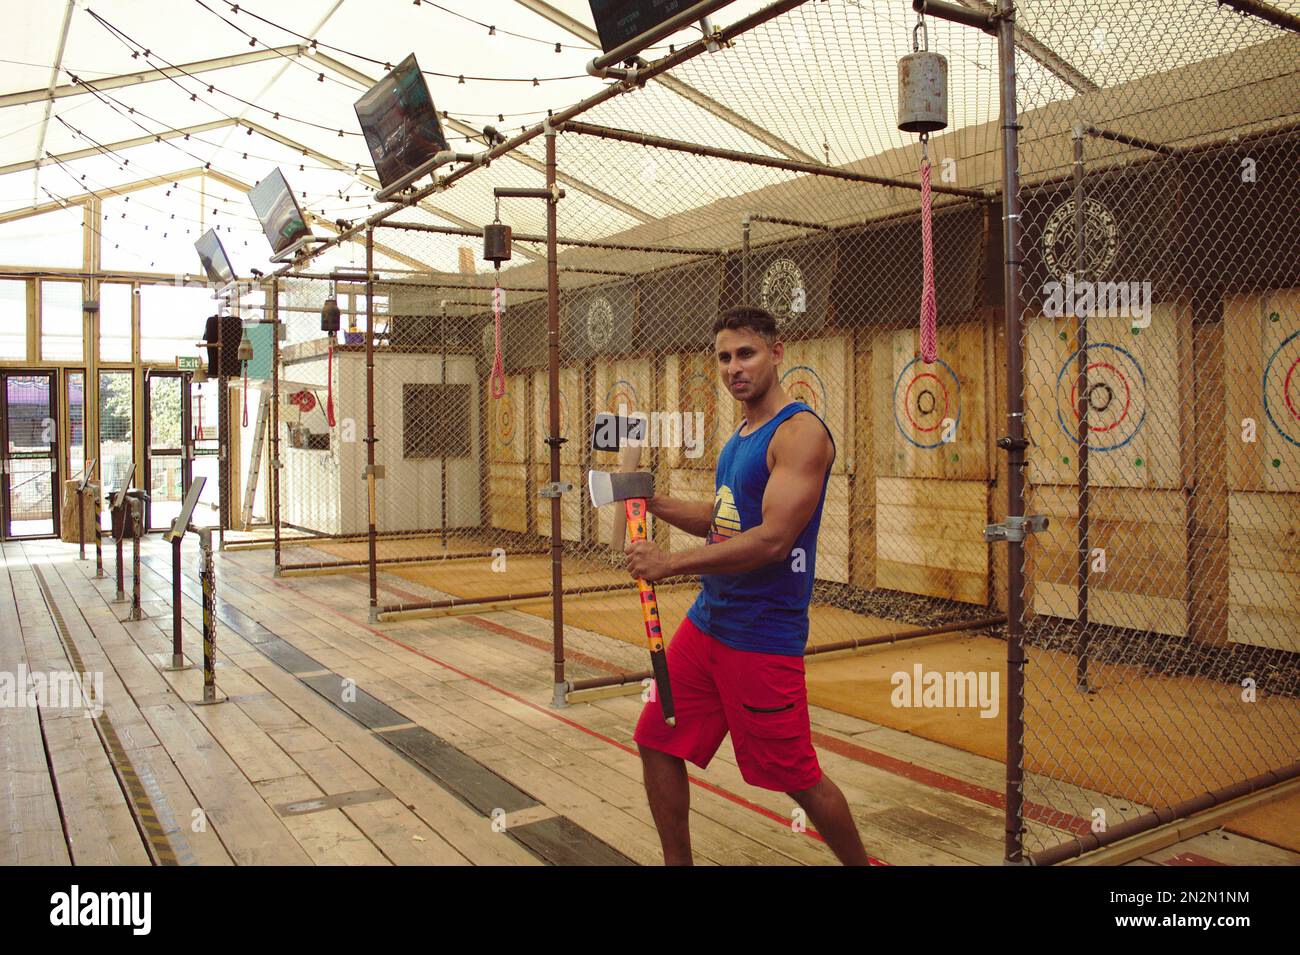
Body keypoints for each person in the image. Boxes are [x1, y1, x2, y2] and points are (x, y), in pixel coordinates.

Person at [624, 305, 870, 866]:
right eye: (725, 357)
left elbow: (771, 541)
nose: (735, 367)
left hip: (760, 636)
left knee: (797, 779)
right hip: (709, 624)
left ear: (777, 353)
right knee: (655, 738)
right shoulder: (741, 434)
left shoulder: (801, 434)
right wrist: (652, 501)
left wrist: (669, 564)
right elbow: (726, 517)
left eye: (747, 354)